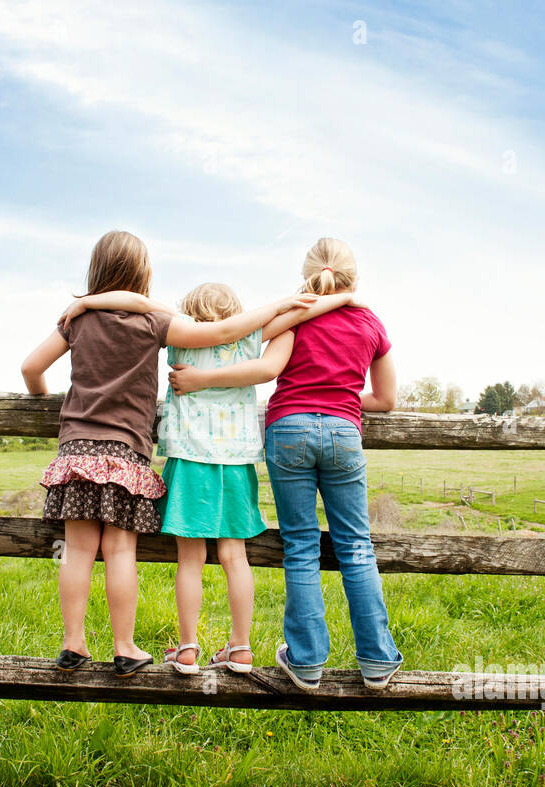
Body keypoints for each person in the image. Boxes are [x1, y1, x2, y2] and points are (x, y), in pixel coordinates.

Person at [20, 230, 320, 677]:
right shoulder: (155, 324)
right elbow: (222, 331)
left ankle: (73, 644)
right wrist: (282, 304)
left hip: (77, 453)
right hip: (130, 455)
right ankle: (125, 647)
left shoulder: (75, 322)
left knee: (77, 553)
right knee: (121, 551)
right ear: (144, 275)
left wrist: (43, 398)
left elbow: (30, 367)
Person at [168, 237, 402, 690]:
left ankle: (307, 661)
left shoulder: (290, 318)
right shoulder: (370, 322)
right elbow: (386, 399)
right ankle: (376, 661)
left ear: (308, 273)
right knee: (356, 546)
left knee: (300, 546)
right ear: (353, 277)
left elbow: (248, 349)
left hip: (288, 429)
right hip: (343, 432)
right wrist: (343, 399)